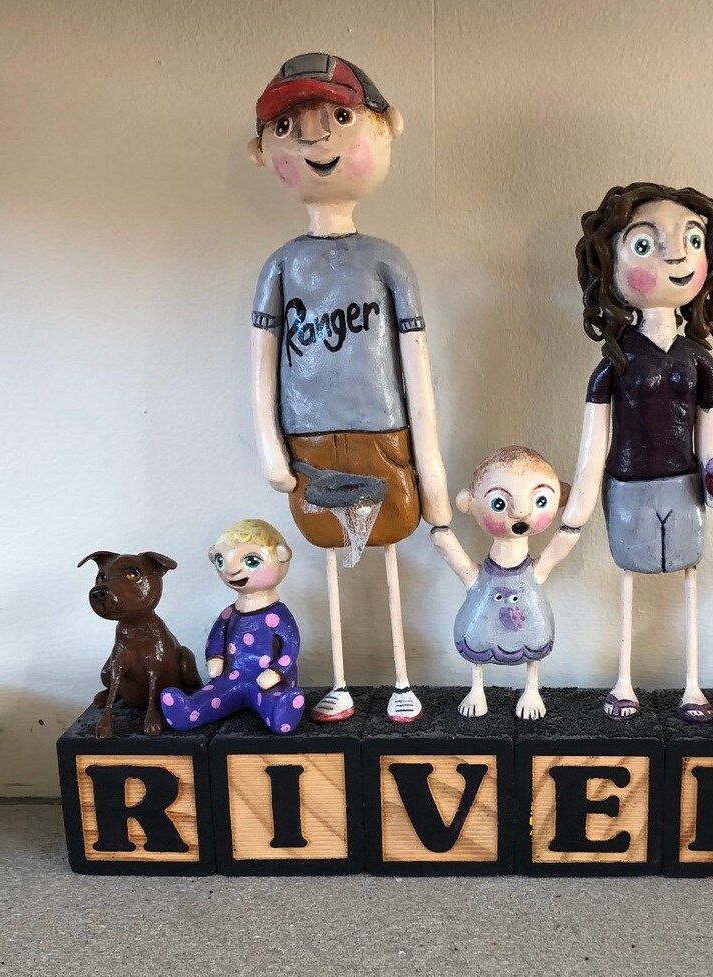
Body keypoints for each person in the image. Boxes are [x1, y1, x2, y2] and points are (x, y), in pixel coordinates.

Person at [247, 53, 451, 724]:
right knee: (331, 559)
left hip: (384, 435)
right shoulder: (281, 265)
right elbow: (262, 362)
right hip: (310, 439)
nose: (316, 140)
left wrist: (430, 464)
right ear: (263, 149)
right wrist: (270, 450)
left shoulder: (389, 261)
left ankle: (399, 677)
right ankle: (337, 677)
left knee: (389, 551)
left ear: (386, 128)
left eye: (339, 117)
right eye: (291, 126)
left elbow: (417, 370)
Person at [541, 182, 713, 722]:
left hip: (684, 484)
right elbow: (593, 444)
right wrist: (578, 510)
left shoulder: (700, 361)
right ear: (606, 267)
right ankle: (624, 680)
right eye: (644, 244)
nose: (676, 254)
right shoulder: (615, 364)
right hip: (627, 485)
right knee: (627, 580)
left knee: (689, 577)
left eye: (692, 240)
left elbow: (712, 433)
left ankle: (692, 684)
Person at [430, 447, 569, 720]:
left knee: (533, 641)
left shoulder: (534, 572)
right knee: (477, 638)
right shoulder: (481, 577)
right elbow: (458, 562)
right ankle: (477, 689)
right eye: (499, 504)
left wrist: (571, 528)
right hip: (485, 596)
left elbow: (558, 548)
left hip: (527, 601)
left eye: (540, 500)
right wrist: (442, 535)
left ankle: (531, 688)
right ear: (469, 503)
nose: (521, 514)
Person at [160, 520, 305, 733]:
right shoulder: (229, 613)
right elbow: (217, 636)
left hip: (268, 680)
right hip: (231, 677)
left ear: (281, 556)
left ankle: (280, 710)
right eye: (220, 560)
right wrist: (215, 657)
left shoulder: (278, 615)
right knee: (213, 694)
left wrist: (277, 671)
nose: (231, 570)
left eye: (251, 561)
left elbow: (290, 645)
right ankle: (187, 711)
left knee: (270, 697)